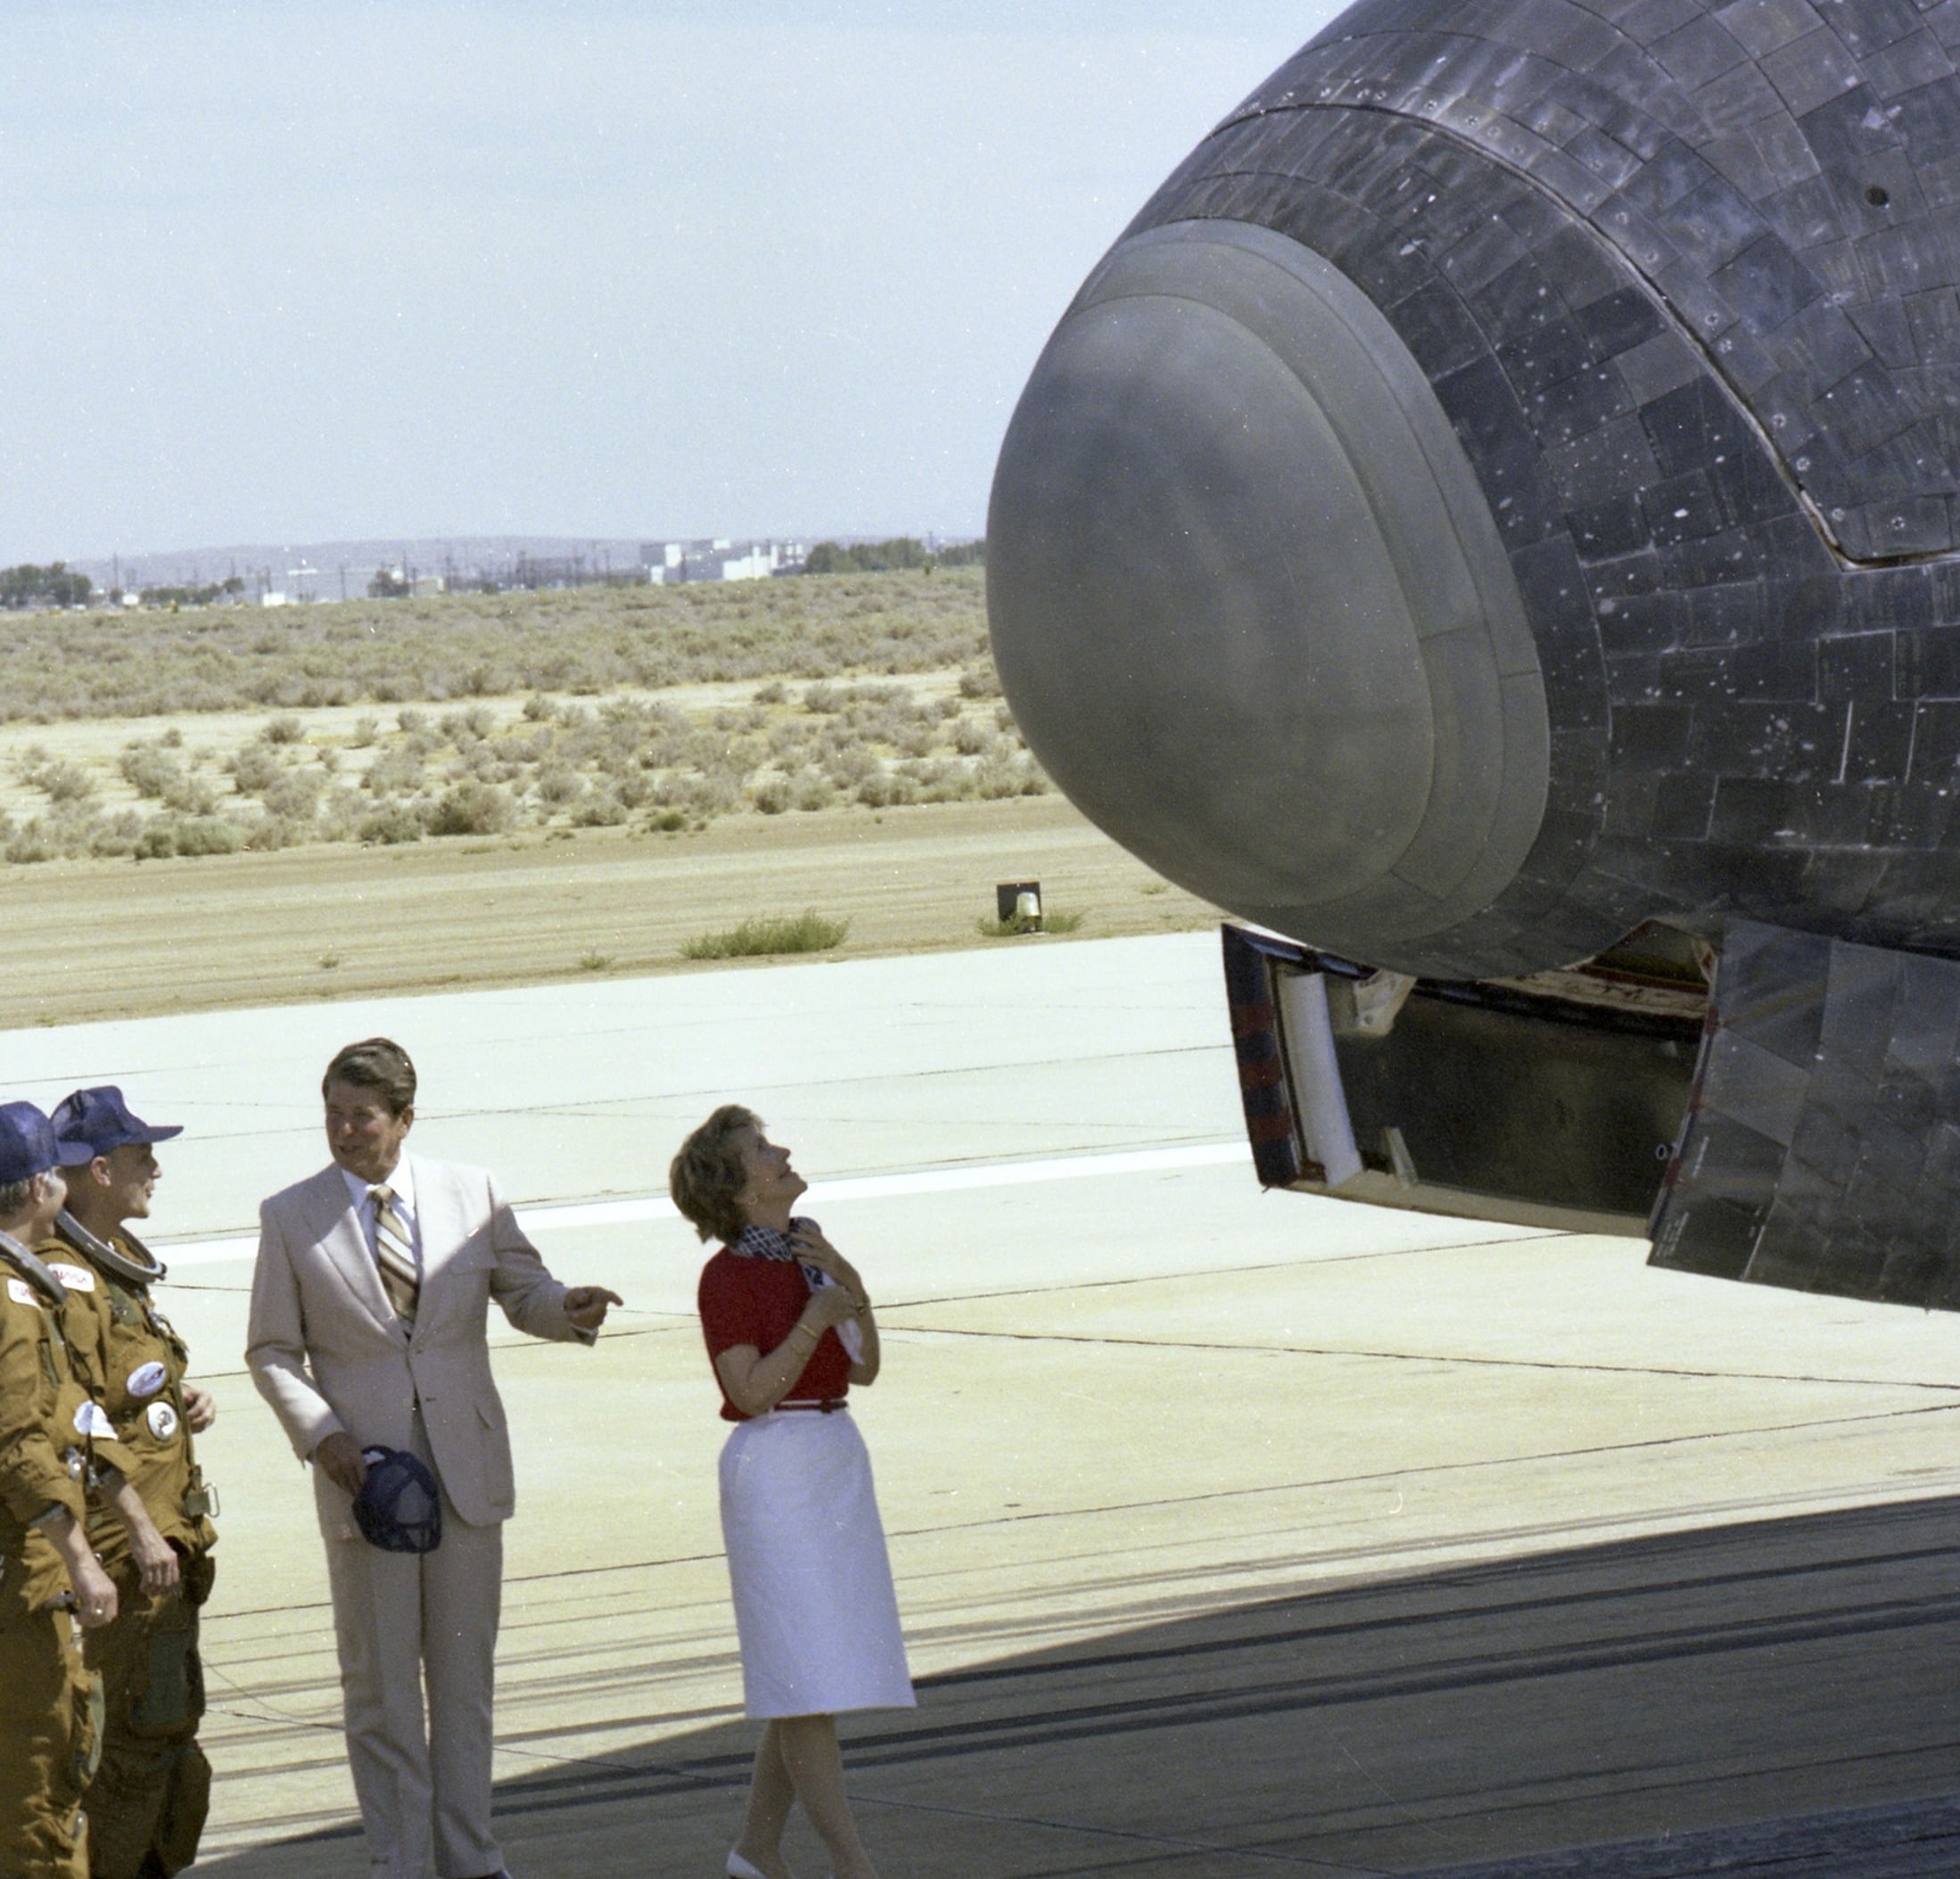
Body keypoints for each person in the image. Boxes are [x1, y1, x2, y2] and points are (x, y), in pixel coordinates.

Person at [245, 1038, 622, 1879]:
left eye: (363, 1115)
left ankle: (471, 1856)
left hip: (464, 1469)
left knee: (462, 1681)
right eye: (334, 1112)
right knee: (381, 1688)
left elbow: (524, 1290)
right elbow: (271, 1349)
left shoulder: (471, 1193)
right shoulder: (291, 1214)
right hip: (367, 1477)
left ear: (404, 1119)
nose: (345, 1130)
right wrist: (324, 1434)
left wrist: (570, 1307)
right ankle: (401, 1860)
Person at [670, 1105, 913, 1879]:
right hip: (775, 1471)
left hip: (833, 1456)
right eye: (764, 1151)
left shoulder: (807, 1249)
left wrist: (849, 1279)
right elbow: (748, 1392)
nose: (783, 1154)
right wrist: (816, 1315)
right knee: (804, 1676)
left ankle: (758, 1849)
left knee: (809, 1673)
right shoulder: (727, 1276)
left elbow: (865, 1365)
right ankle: (853, 1864)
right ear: (739, 1190)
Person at [48, 1086, 218, 1879]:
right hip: (127, 1558)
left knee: (159, 1748)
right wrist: (145, 1530)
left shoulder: (106, 1273)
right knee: (130, 1755)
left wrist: (178, 1405)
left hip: (156, 1555)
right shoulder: (66, 1280)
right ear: (100, 1169)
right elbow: (71, 1419)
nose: (157, 1167)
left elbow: (116, 1394)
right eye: (142, 1154)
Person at [0, 1101, 121, 1879]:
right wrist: (80, 1557)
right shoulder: (11, 1304)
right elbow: (16, 1447)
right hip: (22, 1582)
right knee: (42, 1797)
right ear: (43, 1185)